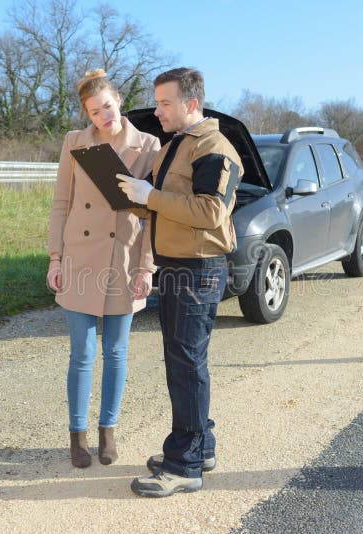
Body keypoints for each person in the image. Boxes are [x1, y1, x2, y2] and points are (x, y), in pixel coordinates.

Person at [117, 67, 243, 497]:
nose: (157, 110)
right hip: (177, 265)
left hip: (199, 269)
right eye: (157, 102)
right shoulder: (175, 147)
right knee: (186, 362)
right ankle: (200, 445)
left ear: (191, 104)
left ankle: (185, 465)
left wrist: (148, 196)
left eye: (165, 103)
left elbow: (210, 212)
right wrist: (132, 198)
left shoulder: (214, 148)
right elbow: (168, 206)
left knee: (186, 365)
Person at [47, 69, 160, 468]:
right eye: (94, 112)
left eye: (107, 107)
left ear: (118, 102)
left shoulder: (148, 145)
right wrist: (55, 258)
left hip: (123, 260)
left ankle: (107, 432)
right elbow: (62, 203)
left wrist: (146, 267)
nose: (103, 117)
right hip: (78, 257)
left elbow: (152, 214)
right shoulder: (74, 143)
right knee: (82, 353)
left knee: (115, 352)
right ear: (87, 114)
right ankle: (77, 436)